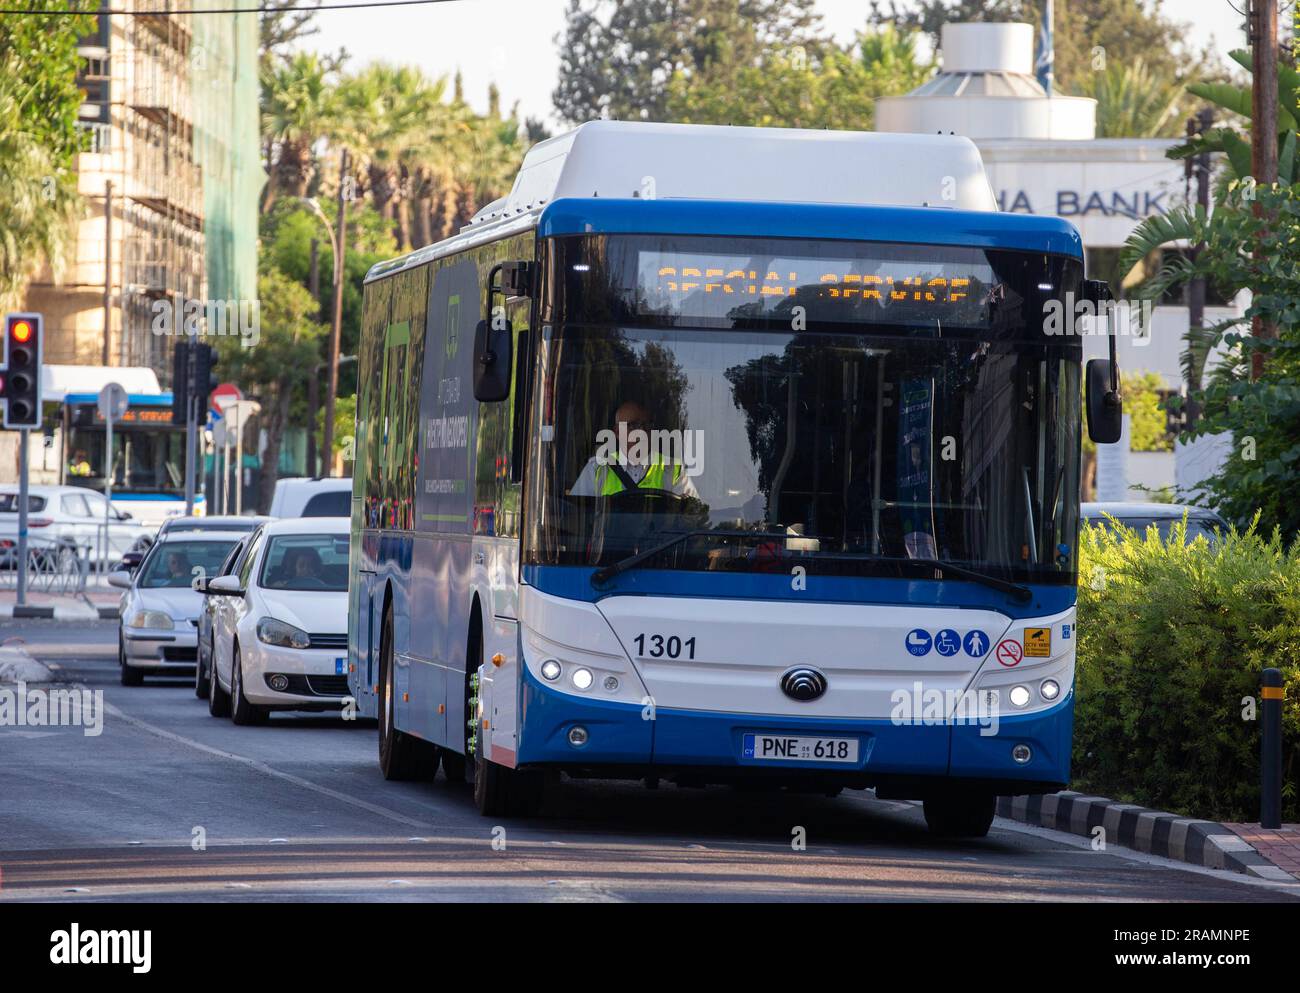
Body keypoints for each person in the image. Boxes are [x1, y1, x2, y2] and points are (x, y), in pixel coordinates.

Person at [569, 400, 699, 499]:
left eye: (646, 425)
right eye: (634, 425)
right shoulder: (596, 468)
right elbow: (577, 516)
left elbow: (692, 517)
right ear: (618, 431)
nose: (642, 431)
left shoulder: (673, 470)